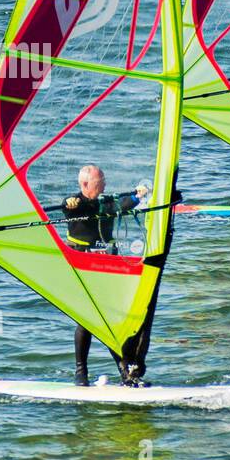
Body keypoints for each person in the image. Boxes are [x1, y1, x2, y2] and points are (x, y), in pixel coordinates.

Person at [60, 164, 150, 386]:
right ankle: (81, 373)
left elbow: (125, 203)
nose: (105, 185)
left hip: (107, 266)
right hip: (82, 266)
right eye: (100, 182)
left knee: (112, 319)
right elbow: (68, 207)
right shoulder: (77, 204)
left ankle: (125, 373)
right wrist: (69, 203)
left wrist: (139, 194)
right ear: (85, 184)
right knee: (87, 320)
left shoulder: (107, 202)